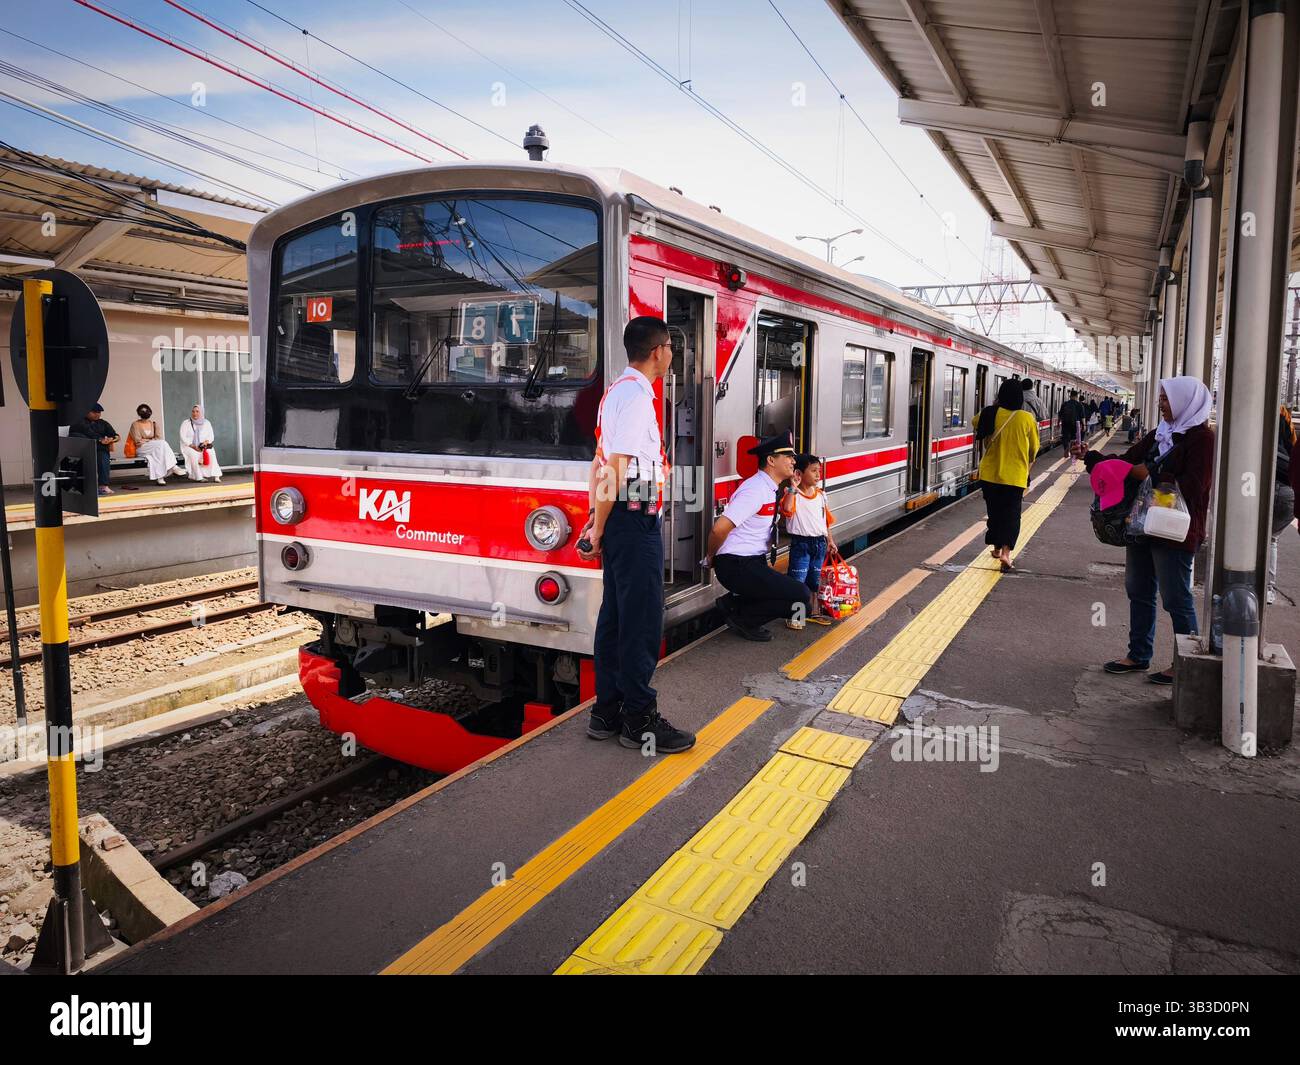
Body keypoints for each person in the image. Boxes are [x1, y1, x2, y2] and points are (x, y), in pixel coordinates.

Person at [578, 316, 694, 754]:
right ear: (658, 351)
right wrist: (601, 527)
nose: (671, 355)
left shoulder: (616, 394)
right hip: (633, 519)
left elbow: (598, 464)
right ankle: (639, 722)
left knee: (615, 617)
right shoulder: (638, 399)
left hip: (622, 515)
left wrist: (595, 518)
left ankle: (606, 711)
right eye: (670, 348)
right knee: (642, 620)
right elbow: (615, 468)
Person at [1102, 376, 1215, 685]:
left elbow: (1195, 485)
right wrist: (1095, 459)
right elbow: (1128, 460)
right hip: (1143, 524)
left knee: (1176, 598)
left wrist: (1150, 474)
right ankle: (1138, 654)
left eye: (1165, 399)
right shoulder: (1159, 434)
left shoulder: (1202, 439)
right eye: (1161, 398)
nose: (1160, 404)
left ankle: (1186, 663)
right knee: (1138, 590)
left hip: (1175, 529)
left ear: (1184, 402)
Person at [706, 431, 811, 641]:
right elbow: (719, 529)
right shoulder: (755, 490)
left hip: (751, 562)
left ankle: (732, 604)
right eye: (788, 456)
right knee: (801, 597)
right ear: (771, 460)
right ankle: (744, 618)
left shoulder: (767, 487)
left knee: (796, 597)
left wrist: (792, 489)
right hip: (736, 564)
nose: (793, 461)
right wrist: (710, 557)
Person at [973, 378, 1039, 572]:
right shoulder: (1026, 418)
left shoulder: (990, 413)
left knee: (995, 513)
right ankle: (1005, 553)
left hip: (990, 475)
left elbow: (975, 421)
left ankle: (995, 548)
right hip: (1015, 477)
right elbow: (1034, 449)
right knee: (1011, 516)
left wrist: (995, 410)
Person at [780, 453, 836, 628]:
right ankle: (795, 616)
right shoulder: (792, 494)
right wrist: (792, 488)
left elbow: (825, 520)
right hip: (801, 544)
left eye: (819, 471)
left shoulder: (821, 495)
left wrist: (830, 541)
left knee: (814, 581)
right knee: (798, 581)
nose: (818, 475)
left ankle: (814, 612)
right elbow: (787, 509)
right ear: (799, 474)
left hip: (819, 544)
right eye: (813, 471)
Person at [69, 402, 119, 496]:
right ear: (86, 412)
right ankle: (86, 487)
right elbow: (89, 434)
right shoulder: (78, 422)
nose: (97, 414)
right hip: (82, 451)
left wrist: (112, 439)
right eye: (94, 412)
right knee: (85, 439)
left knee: (103, 456)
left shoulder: (103, 423)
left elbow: (115, 435)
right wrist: (101, 440)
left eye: (99, 412)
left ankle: (103, 486)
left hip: (99, 450)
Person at [128, 404, 184, 485]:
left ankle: (160, 478)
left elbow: (159, 438)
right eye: (142, 411)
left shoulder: (153, 424)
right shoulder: (135, 424)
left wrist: (147, 440)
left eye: (146, 411)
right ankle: (173, 466)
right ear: (139, 413)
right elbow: (138, 440)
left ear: (150, 412)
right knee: (162, 444)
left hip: (154, 447)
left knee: (157, 453)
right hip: (141, 448)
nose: (145, 413)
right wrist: (151, 440)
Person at [179, 405, 222, 482]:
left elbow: (211, 436)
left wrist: (206, 442)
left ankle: (216, 475)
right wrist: (192, 446)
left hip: (203, 445)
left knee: (211, 452)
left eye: (197, 411)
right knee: (193, 454)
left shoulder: (207, 423)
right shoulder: (186, 423)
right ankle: (199, 477)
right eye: (193, 411)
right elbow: (182, 436)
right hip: (189, 446)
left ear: (201, 412)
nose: (194, 413)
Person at [1058, 390, 1085, 455]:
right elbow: (1082, 416)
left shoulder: (1064, 404)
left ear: (1070, 396)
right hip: (1076, 424)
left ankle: (1066, 448)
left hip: (1065, 423)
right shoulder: (1079, 404)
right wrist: (1084, 425)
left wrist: (1058, 423)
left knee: (1065, 437)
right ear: (1076, 396)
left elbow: (1060, 414)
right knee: (1073, 437)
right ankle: (1071, 450)